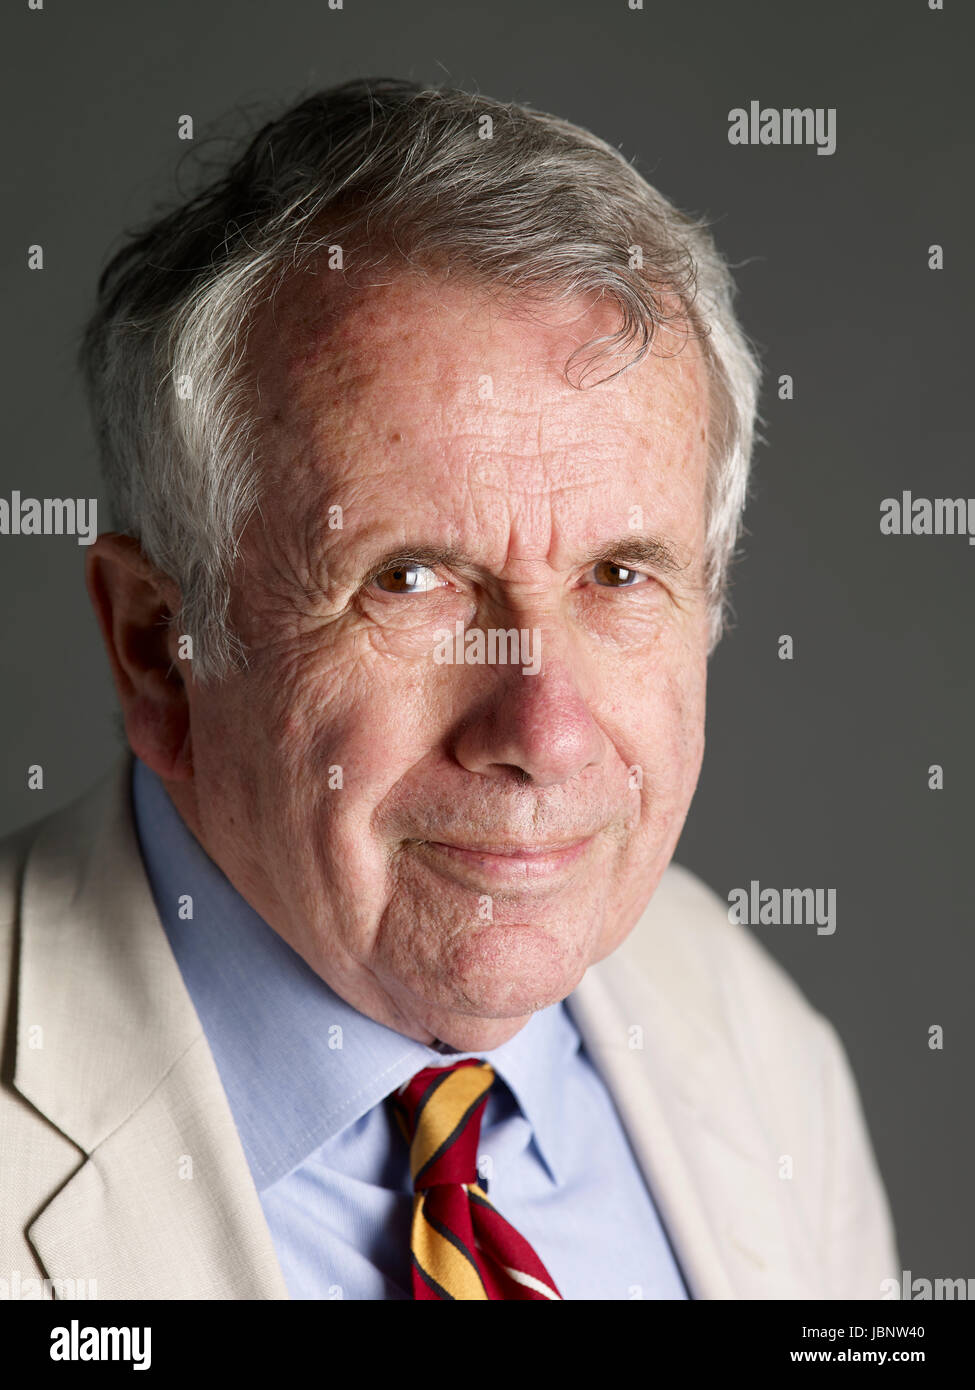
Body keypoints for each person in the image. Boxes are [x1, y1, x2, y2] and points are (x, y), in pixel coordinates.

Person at [0, 78, 898, 1300]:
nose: (544, 731)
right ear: (160, 648)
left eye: (620, 575)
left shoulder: (750, 1034)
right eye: (410, 579)